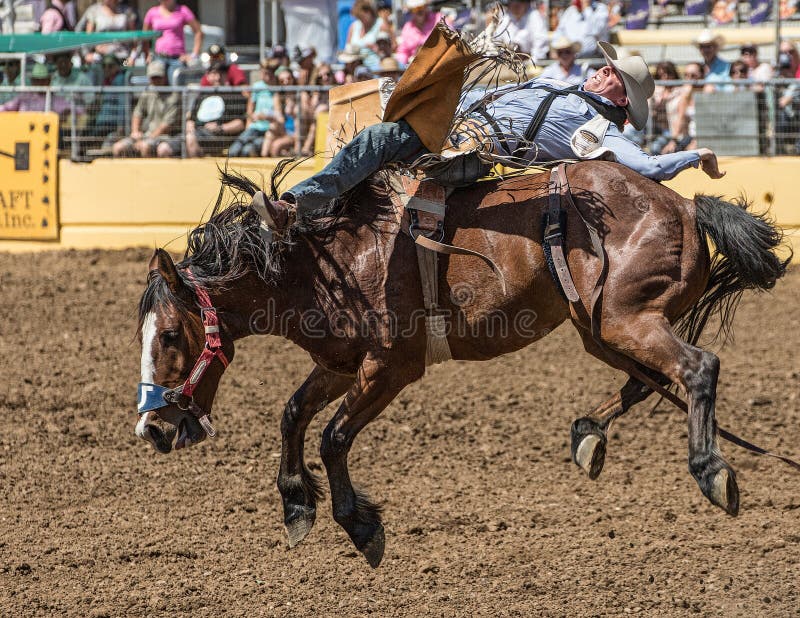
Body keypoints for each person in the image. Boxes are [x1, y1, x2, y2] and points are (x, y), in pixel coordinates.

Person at [264, 40, 725, 226]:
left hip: (476, 151)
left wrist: (696, 154)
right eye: (606, 65)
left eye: (612, 75)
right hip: (453, 121)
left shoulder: (600, 129)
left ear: (622, 99)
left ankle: (296, 205)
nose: (602, 70)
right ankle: (325, 216)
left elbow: (649, 167)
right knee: (370, 113)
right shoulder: (555, 82)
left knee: (377, 142)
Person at [111, 61, 180, 158]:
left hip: (165, 137)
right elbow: (137, 113)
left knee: (145, 146)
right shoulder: (148, 92)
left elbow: (166, 125)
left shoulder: (173, 96)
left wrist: (147, 139)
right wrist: (135, 132)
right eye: (153, 77)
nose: (155, 80)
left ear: (164, 77)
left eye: (158, 77)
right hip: (146, 135)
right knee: (118, 147)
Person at [179, 63, 247, 158]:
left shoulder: (234, 95)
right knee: (163, 148)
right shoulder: (202, 95)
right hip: (195, 132)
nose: (218, 77)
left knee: (190, 138)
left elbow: (241, 124)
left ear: (226, 75)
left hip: (218, 137)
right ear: (208, 76)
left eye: (221, 74)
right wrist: (189, 123)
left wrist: (221, 127)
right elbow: (191, 117)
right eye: (214, 74)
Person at [142, 0, 203, 84]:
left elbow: (198, 31)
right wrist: (147, 54)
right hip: (158, 58)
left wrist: (194, 55)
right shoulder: (152, 12)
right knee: (156, 90)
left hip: (177, 58)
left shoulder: (183, 10)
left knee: (176, 89)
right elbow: (144, 35)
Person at [229, 58, 279, 158]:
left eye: (269, 73)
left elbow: (278, 113)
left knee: (247, 151)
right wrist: (249, 123)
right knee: (234, 150)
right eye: (264, 73)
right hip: (255, 126)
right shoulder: (257, 86)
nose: (266, 76)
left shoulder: (277, 88)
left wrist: (265, 117)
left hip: (268, 130)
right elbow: (250, 107)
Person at [659, 62, 703, 155]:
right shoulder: (685, 95)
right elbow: (680, 118)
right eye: (686, 75)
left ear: (702, 76)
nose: (689, 79)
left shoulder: (707, 92)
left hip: (706, 138)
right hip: (689, 137)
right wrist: (673, 141)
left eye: (693, 75)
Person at [0, 62, 72, 114]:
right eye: (37, 80)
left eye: (43, 80)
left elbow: (76, 109)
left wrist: (67, 112)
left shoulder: (56, 99)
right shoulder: (24, 97)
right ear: (32, 81)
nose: (40, 83)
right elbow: (7, 107)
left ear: (48, 81)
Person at [346, 0, 390, 71]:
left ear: (369, 12)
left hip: (377, 67)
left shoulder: (381, 24)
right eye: (359, 18)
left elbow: (392, 47)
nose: (361, 21)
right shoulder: (354, 26)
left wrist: (376, 49)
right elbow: (347, 49)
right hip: (357, 69)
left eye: (362, 17)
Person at [648, 61, 681, 155]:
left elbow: (680, 118)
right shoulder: (656, 91)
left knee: (655, 148)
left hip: (669, 130)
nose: (665, 77)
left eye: (668, 74)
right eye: (661, 75)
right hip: (654, 128)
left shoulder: (679, 92)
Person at [396, 0, 441, 65]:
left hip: (438, 62)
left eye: (421, 7)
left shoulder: (439, 19)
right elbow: (403, 52)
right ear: (411, 11)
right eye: (415, 9)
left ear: (425, 7)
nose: (419, 11)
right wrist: (402, 66)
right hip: (416, 65)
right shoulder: (407, 28)